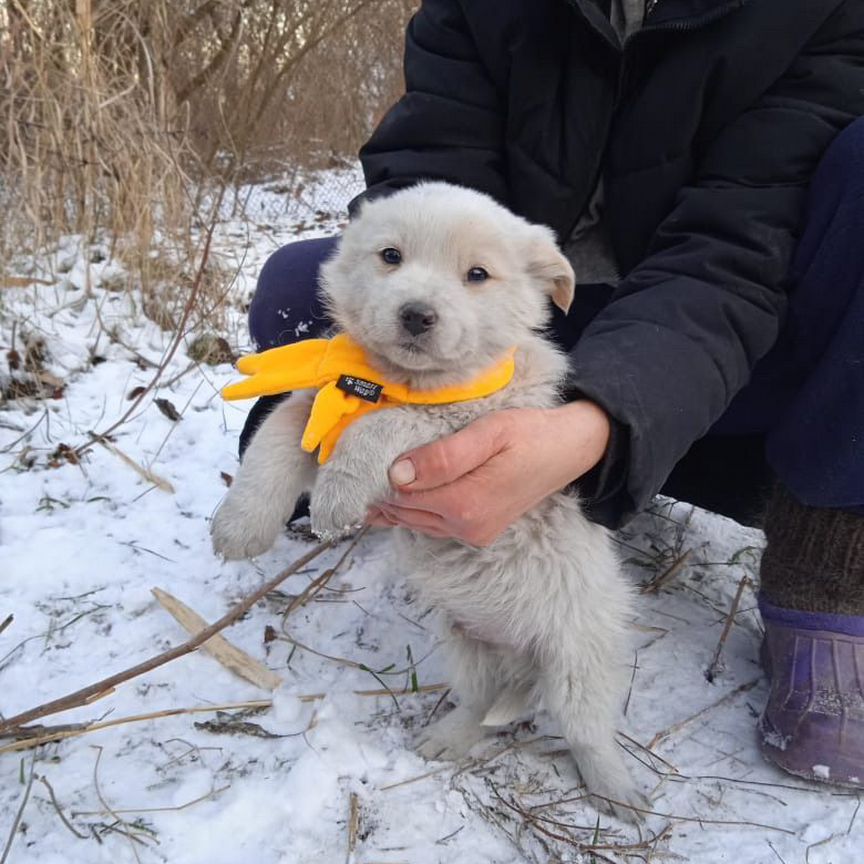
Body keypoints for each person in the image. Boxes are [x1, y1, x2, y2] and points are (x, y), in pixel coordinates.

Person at [238, 0, 864, 786]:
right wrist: (393, 363)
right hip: (515, 324)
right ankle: (433, 473)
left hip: (738, 338)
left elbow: (733, 256)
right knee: (297, 288)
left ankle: (831, 564)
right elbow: (429, 192)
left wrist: (598, 423)